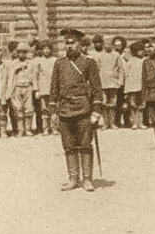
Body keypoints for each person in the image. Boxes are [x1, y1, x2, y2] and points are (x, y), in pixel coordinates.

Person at [49, 28, 103, 191]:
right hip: (65, 110)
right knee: (69, 146)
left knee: (85, 145)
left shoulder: (88, 63)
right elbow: (54, 88)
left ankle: (87, 179)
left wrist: (96, 111)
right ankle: (73, 178)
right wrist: (53, 111)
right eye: (67, 43)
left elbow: (97, 89)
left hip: (84, 110)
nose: (69, 46)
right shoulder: (59, 64)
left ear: (80, 44)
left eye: (73, 43)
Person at [91, 34, 125, 129]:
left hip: (114, 83)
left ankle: (112, 122)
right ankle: (106, 123)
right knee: (104, 103)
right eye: (106, 44)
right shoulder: (99, 56)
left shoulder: (116, 55)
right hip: (103, 83)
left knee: (113, 104)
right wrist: (96, 83)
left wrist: (120, 81)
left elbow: (121, 69)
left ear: (112, 45)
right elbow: (95, 70)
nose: (107, 46)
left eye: (109, 44)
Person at [8, 42, 38, 137]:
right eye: (20, 52)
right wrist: (10, 91)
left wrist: (36, 90)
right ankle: (21, 129)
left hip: (28, 87)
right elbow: (10, 78)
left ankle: (28, 129)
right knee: (18, 108)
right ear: (17, 53)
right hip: (17, 87)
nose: (22, 54)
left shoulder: (31, 64)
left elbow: (34, 77)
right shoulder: (13, 64)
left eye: (24, 52)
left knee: (29, 108)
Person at [34, 41, 57, 136]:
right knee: (44, 109)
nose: (46, 51)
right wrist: (37, 90)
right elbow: (35, 76)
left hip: (53, 88)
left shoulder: (55, 60)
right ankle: (45, 128)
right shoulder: (38, 61)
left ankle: (54, 127)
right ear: (42, 50)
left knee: (54, 109)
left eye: (48, 49)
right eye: (45, 49)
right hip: (43, 89)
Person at [123, 40, 146, 129]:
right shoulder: (131, 62)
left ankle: (141, 122)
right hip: (132, 87)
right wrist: (126, 90)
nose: (140, 52)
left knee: (141, 106)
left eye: (142, 50)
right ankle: (134, 123)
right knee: (133, 106)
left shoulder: (145, 60)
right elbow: (127, 76)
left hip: (142, 87)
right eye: (138, 50)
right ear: (135, 51)